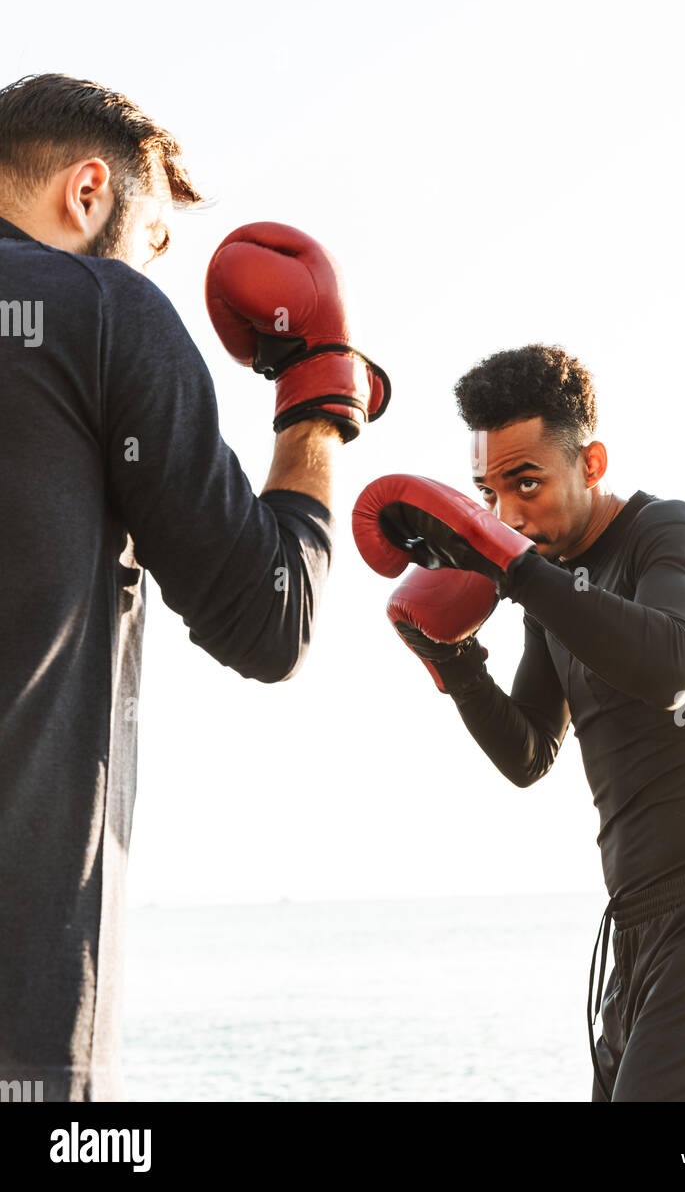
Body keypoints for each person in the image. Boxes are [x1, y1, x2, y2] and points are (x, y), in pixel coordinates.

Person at [0, 72, 388, 1101]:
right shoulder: (97, 310)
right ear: (89, 193)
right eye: (154, 240)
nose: (151, 270)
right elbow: (269, 618)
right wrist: (319, 398)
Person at [353, 343, 685, 1102]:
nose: (507, 513)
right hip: (639, 937)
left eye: (525, 482)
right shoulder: (547, 585)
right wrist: (458, 667)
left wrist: (512, 566)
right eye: (487, 493)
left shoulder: (672, 533)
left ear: (590, 462)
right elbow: (532, 751)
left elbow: (671, 663)